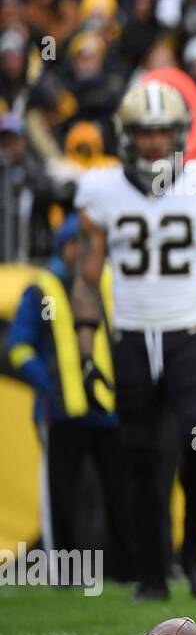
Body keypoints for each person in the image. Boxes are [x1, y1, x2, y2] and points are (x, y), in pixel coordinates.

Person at [71, 80, 196, 601]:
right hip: (131, 338)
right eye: (144, 133)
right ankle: (153, 573)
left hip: (191, 337)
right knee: (142, 460)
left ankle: (193, 551)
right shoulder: (101, 191)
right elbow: (87, 281)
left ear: (180, 135)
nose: (154, 143)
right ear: (126, 137)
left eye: (162, 133)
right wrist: (88, 354)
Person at [6, 214, 133, 582]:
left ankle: (124, 568)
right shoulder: (41, 290)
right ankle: (65, 574)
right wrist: (48, 384)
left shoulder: (109, 283)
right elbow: (19, 347)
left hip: (109, 410)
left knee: (120, 492)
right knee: (62, 496)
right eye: (85, 244)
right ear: (68, 246)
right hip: (61, 412)